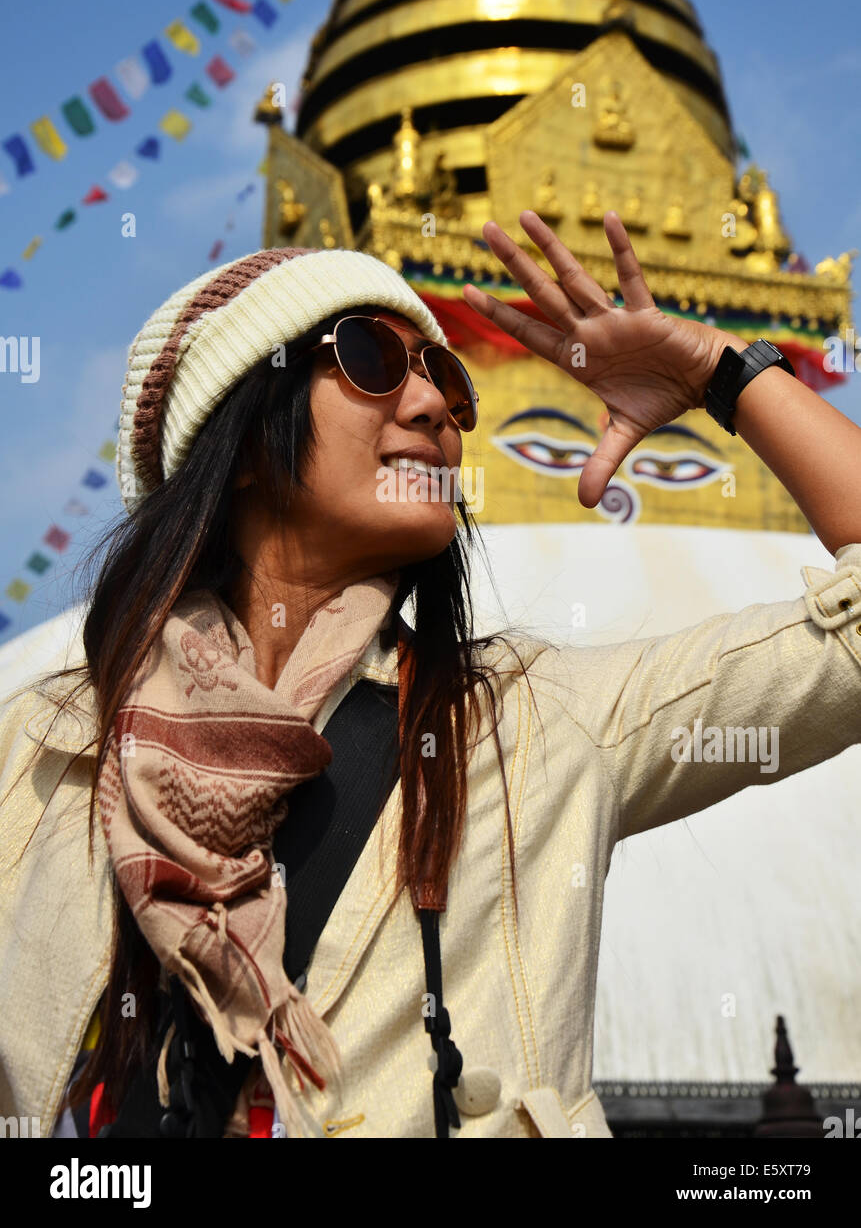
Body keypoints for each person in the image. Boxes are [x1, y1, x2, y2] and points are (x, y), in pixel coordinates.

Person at [1, 210, 860, 1139]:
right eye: (371, 358)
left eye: (445, 378)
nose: (433, 409)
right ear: (246, 438)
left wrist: (718, 373)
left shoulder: (536, 728)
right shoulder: (38, 758)